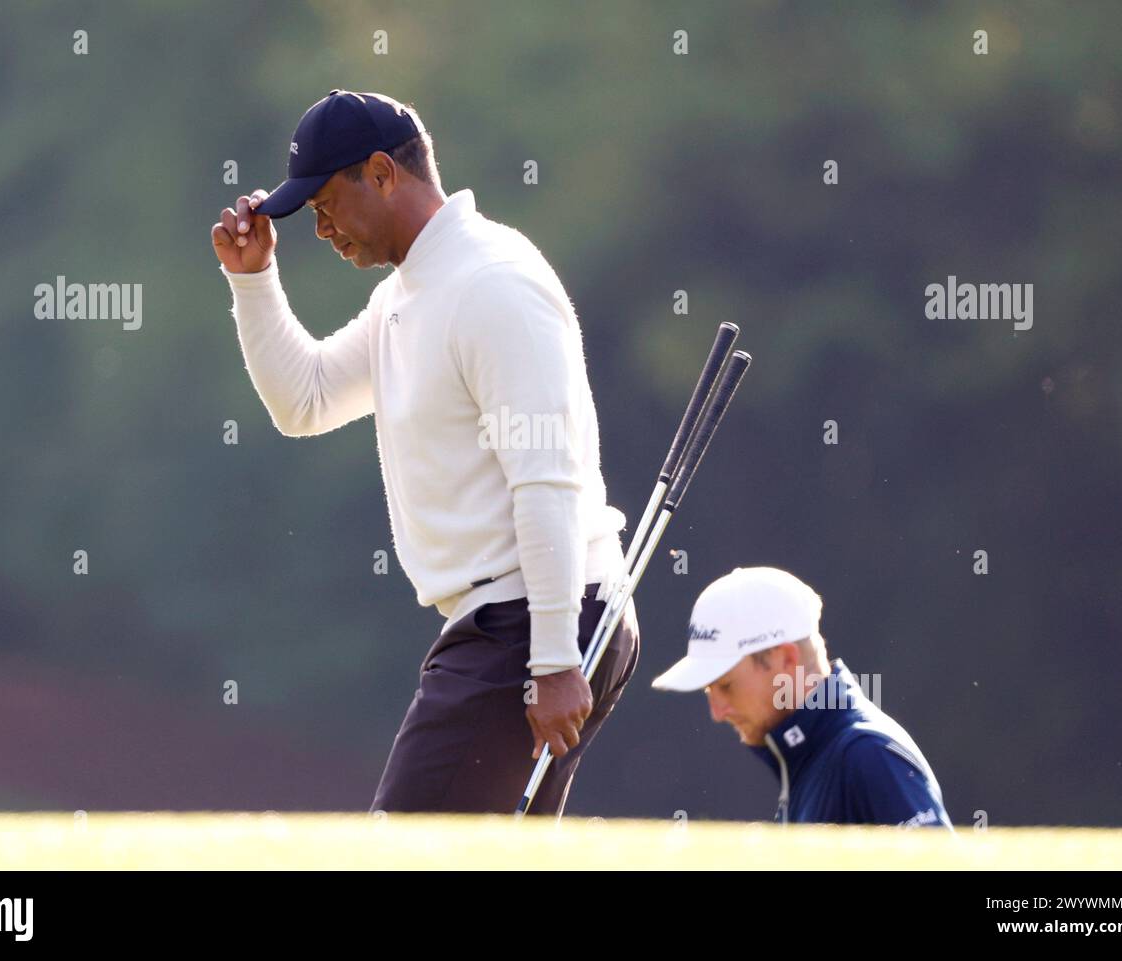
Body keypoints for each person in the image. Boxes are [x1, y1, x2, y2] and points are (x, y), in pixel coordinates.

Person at [209, 90, 638, 815]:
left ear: (381, 173)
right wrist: (252, 279)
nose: (320, 229)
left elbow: (546, 480)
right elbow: (305, 399)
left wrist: (557, 658)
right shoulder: (407, 294)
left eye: (324, 204)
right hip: (511, 623)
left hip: (532, 619)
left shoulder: (491, 281)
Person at [652, 567, 950, 827]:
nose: (717, 712)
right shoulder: (810, 755)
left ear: (785, 659)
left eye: (727, 686)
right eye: (709, 690)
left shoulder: (868, 755)